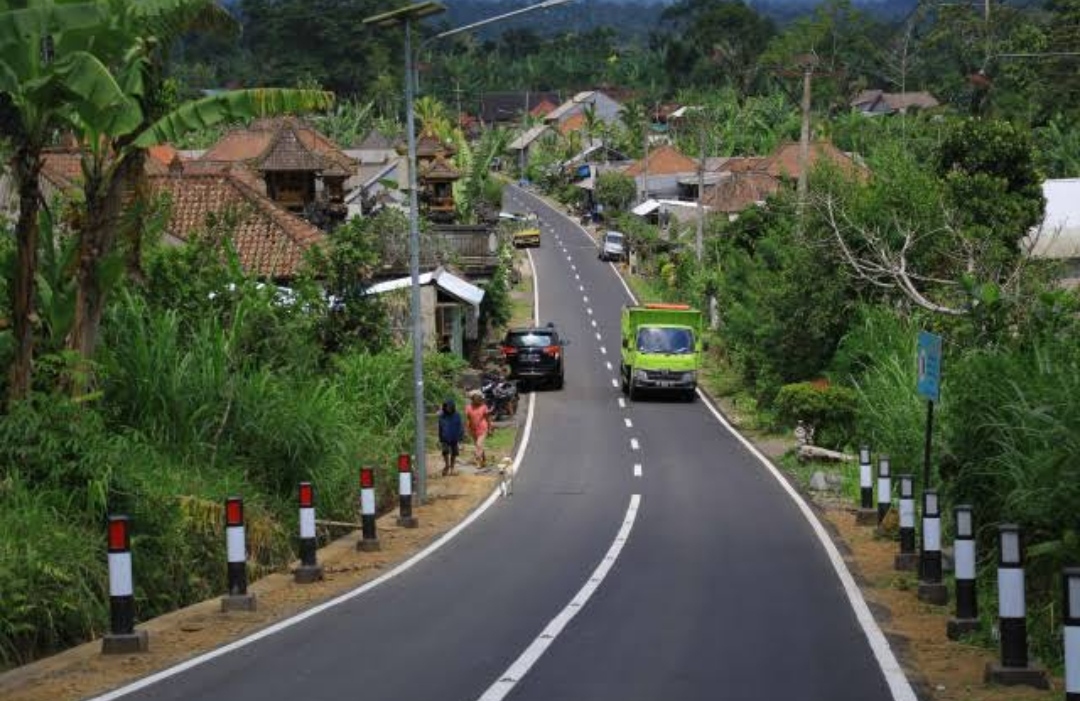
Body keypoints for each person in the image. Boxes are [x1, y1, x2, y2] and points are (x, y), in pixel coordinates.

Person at [465, 390, 493, 469]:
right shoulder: (468, 407)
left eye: (479, 398)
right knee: (478, 446)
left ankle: (479, 462)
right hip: (473, 429)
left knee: (478, 445)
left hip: (483, 428)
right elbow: (468, 419)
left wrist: (490, 428)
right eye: (476, 398)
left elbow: (488, 418)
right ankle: (483, 460)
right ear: (472, 399)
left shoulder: (484, 407)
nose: (478, 400)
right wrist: (467, 430)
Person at [438, 398, 465, 476]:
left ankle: (452, 468)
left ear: (452, 407)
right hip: (445, 438)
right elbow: (440, 427)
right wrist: (440, 438)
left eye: (449, 407)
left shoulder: (457, 415)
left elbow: (460, 427)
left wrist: (461, 438)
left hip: (454, 437)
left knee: (454, 453)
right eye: (446, 407)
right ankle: (447, 465)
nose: (448, 408)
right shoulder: (442, 416)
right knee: (445, 451)